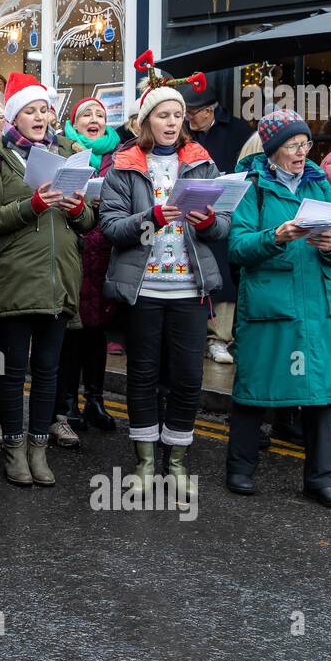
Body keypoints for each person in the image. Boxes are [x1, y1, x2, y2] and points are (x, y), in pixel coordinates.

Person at [101, 75, 228, 499]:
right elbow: (111, 226)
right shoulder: (124, 164)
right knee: (143, 376)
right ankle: (144, 462)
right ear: (146, 120)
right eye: (163, 115)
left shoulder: (202, 161)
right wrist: (151, 216)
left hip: (190, 289)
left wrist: (209, 222)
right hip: (145, 288)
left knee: (189, 378)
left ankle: (175, 460)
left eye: (178, 115)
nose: (172, 122)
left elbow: (225, 222)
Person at [226, 109, 331, 510]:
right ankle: (240, 468)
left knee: (319, 395)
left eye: (305, 145)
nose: (302, 153)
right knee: (256, 390)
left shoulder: (319, 183)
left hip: (317, 304)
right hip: (271, 305)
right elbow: (237, 247)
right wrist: (276, 236)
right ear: (273, 150)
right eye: (292, 146)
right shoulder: (252, 187)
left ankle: (321, 480)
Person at [0, 72, 93, 487]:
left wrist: (78, 210)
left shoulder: (68, 153)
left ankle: (39, 450)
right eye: (30, 110)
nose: (40, 116)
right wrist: (33, 203)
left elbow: (89, 220)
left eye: (44, 109)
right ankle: (14, 451)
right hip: (14, 280)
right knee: (11, 372)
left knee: (48, 370)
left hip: (59, 280)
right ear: (14, 118)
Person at [56, 97, 121, 440]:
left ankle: (94, 398)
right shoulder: (64, 149)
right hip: (73, 247)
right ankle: (67, 402)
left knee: (97, 331)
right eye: (86, 115)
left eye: (100, 114)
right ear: (74, 122)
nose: (94, 119)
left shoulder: (119, 157)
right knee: (72, 330)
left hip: (106, 252)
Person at [183, 82, 252, 365]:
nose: (188, 119)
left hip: (226, 211)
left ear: (210, 111)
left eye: (193, 113)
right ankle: (196, 337)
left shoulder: (238, 131)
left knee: (223, 278)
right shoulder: (185, 133)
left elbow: (248, 167)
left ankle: (220, 338)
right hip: (191, 210)